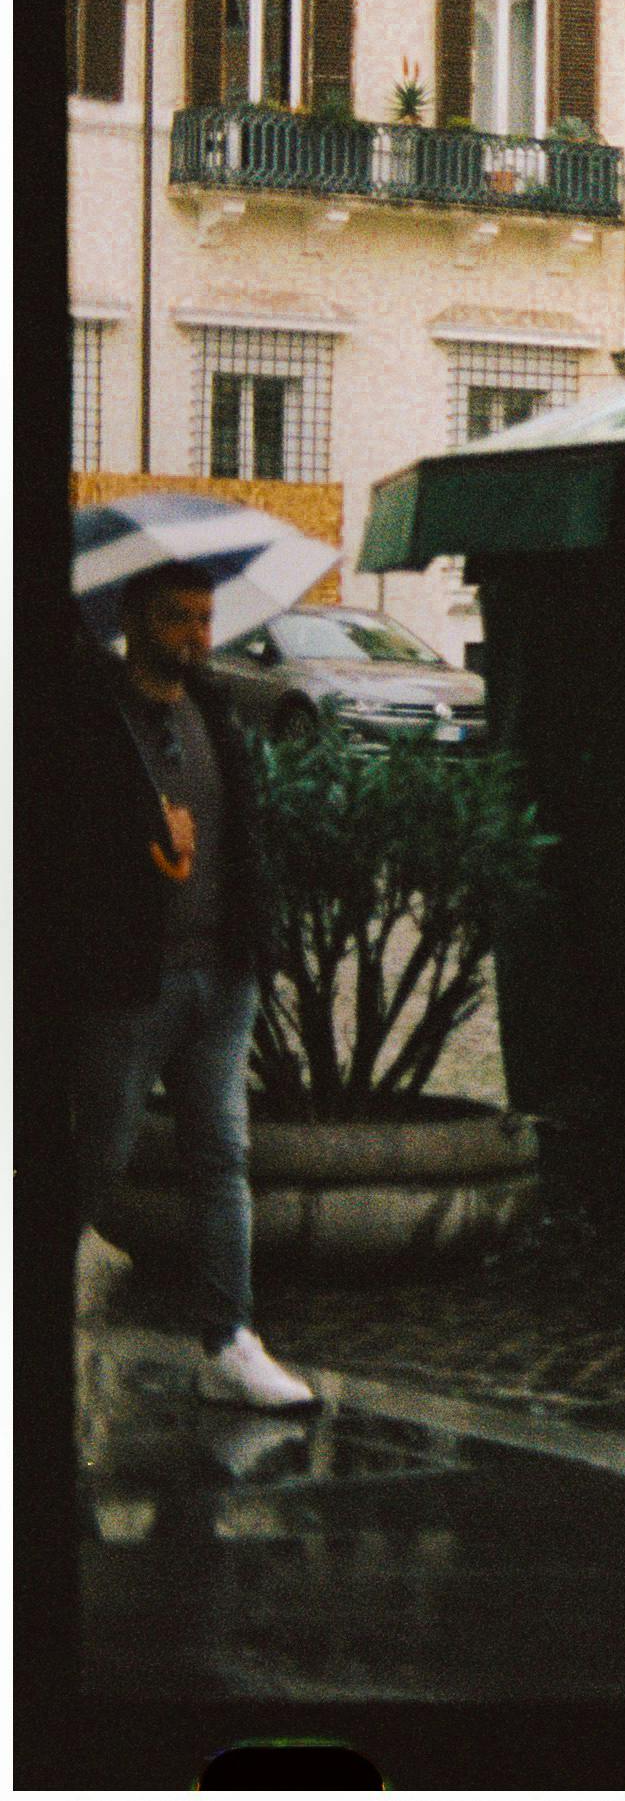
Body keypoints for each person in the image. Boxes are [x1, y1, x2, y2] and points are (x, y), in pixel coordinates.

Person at [60, 562, 318, 1408]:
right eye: (178, 618)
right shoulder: (91, 719)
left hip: (221, 975)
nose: (197, 637)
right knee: (95, 1159)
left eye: (206, 618)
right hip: (132, 983)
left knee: (222, 1158)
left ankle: (229, 1340)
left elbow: (244, 834)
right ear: (135, 618)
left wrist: (256, 941)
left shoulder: (213, 707)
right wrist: (142, 846)